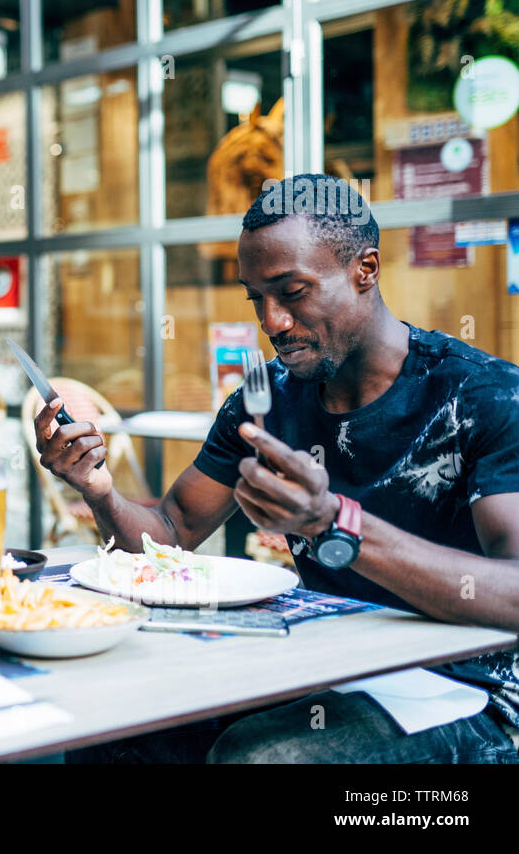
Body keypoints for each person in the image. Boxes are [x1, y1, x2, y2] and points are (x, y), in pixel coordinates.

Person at [36, 173, 519, 763]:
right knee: (113, 727)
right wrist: (99, 490)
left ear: (365, 269)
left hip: (471, 689)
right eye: (255, 298)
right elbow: (167, 535)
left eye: (293, 291)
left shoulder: (482, 395)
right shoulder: (266, 401)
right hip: (326, 660)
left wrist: (335, 524)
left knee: (262, 759)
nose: (273, 321)